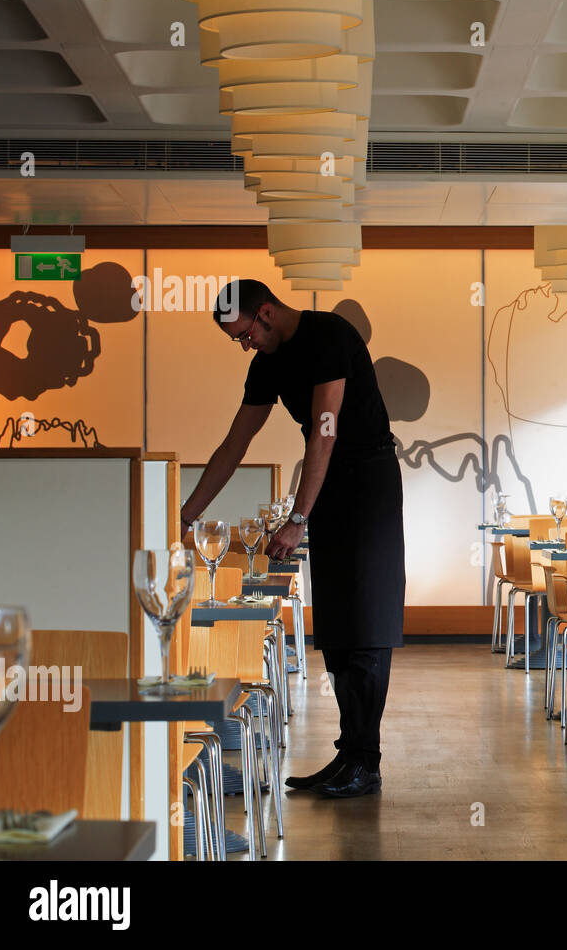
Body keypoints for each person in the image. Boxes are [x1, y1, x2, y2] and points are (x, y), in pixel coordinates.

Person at [181, 279, 405, 798]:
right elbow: (234, 444)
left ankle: (365, 762)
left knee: (367, 620)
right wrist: (185, 516)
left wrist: (298, 516)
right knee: (337, 625)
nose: (246, 345)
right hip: (327, 486)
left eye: (245, 334)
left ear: (265, 312)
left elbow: (324, 430)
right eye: (237, 340)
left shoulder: (329, 335)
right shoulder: (267, 364)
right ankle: (350, 755)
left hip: (368, 479)